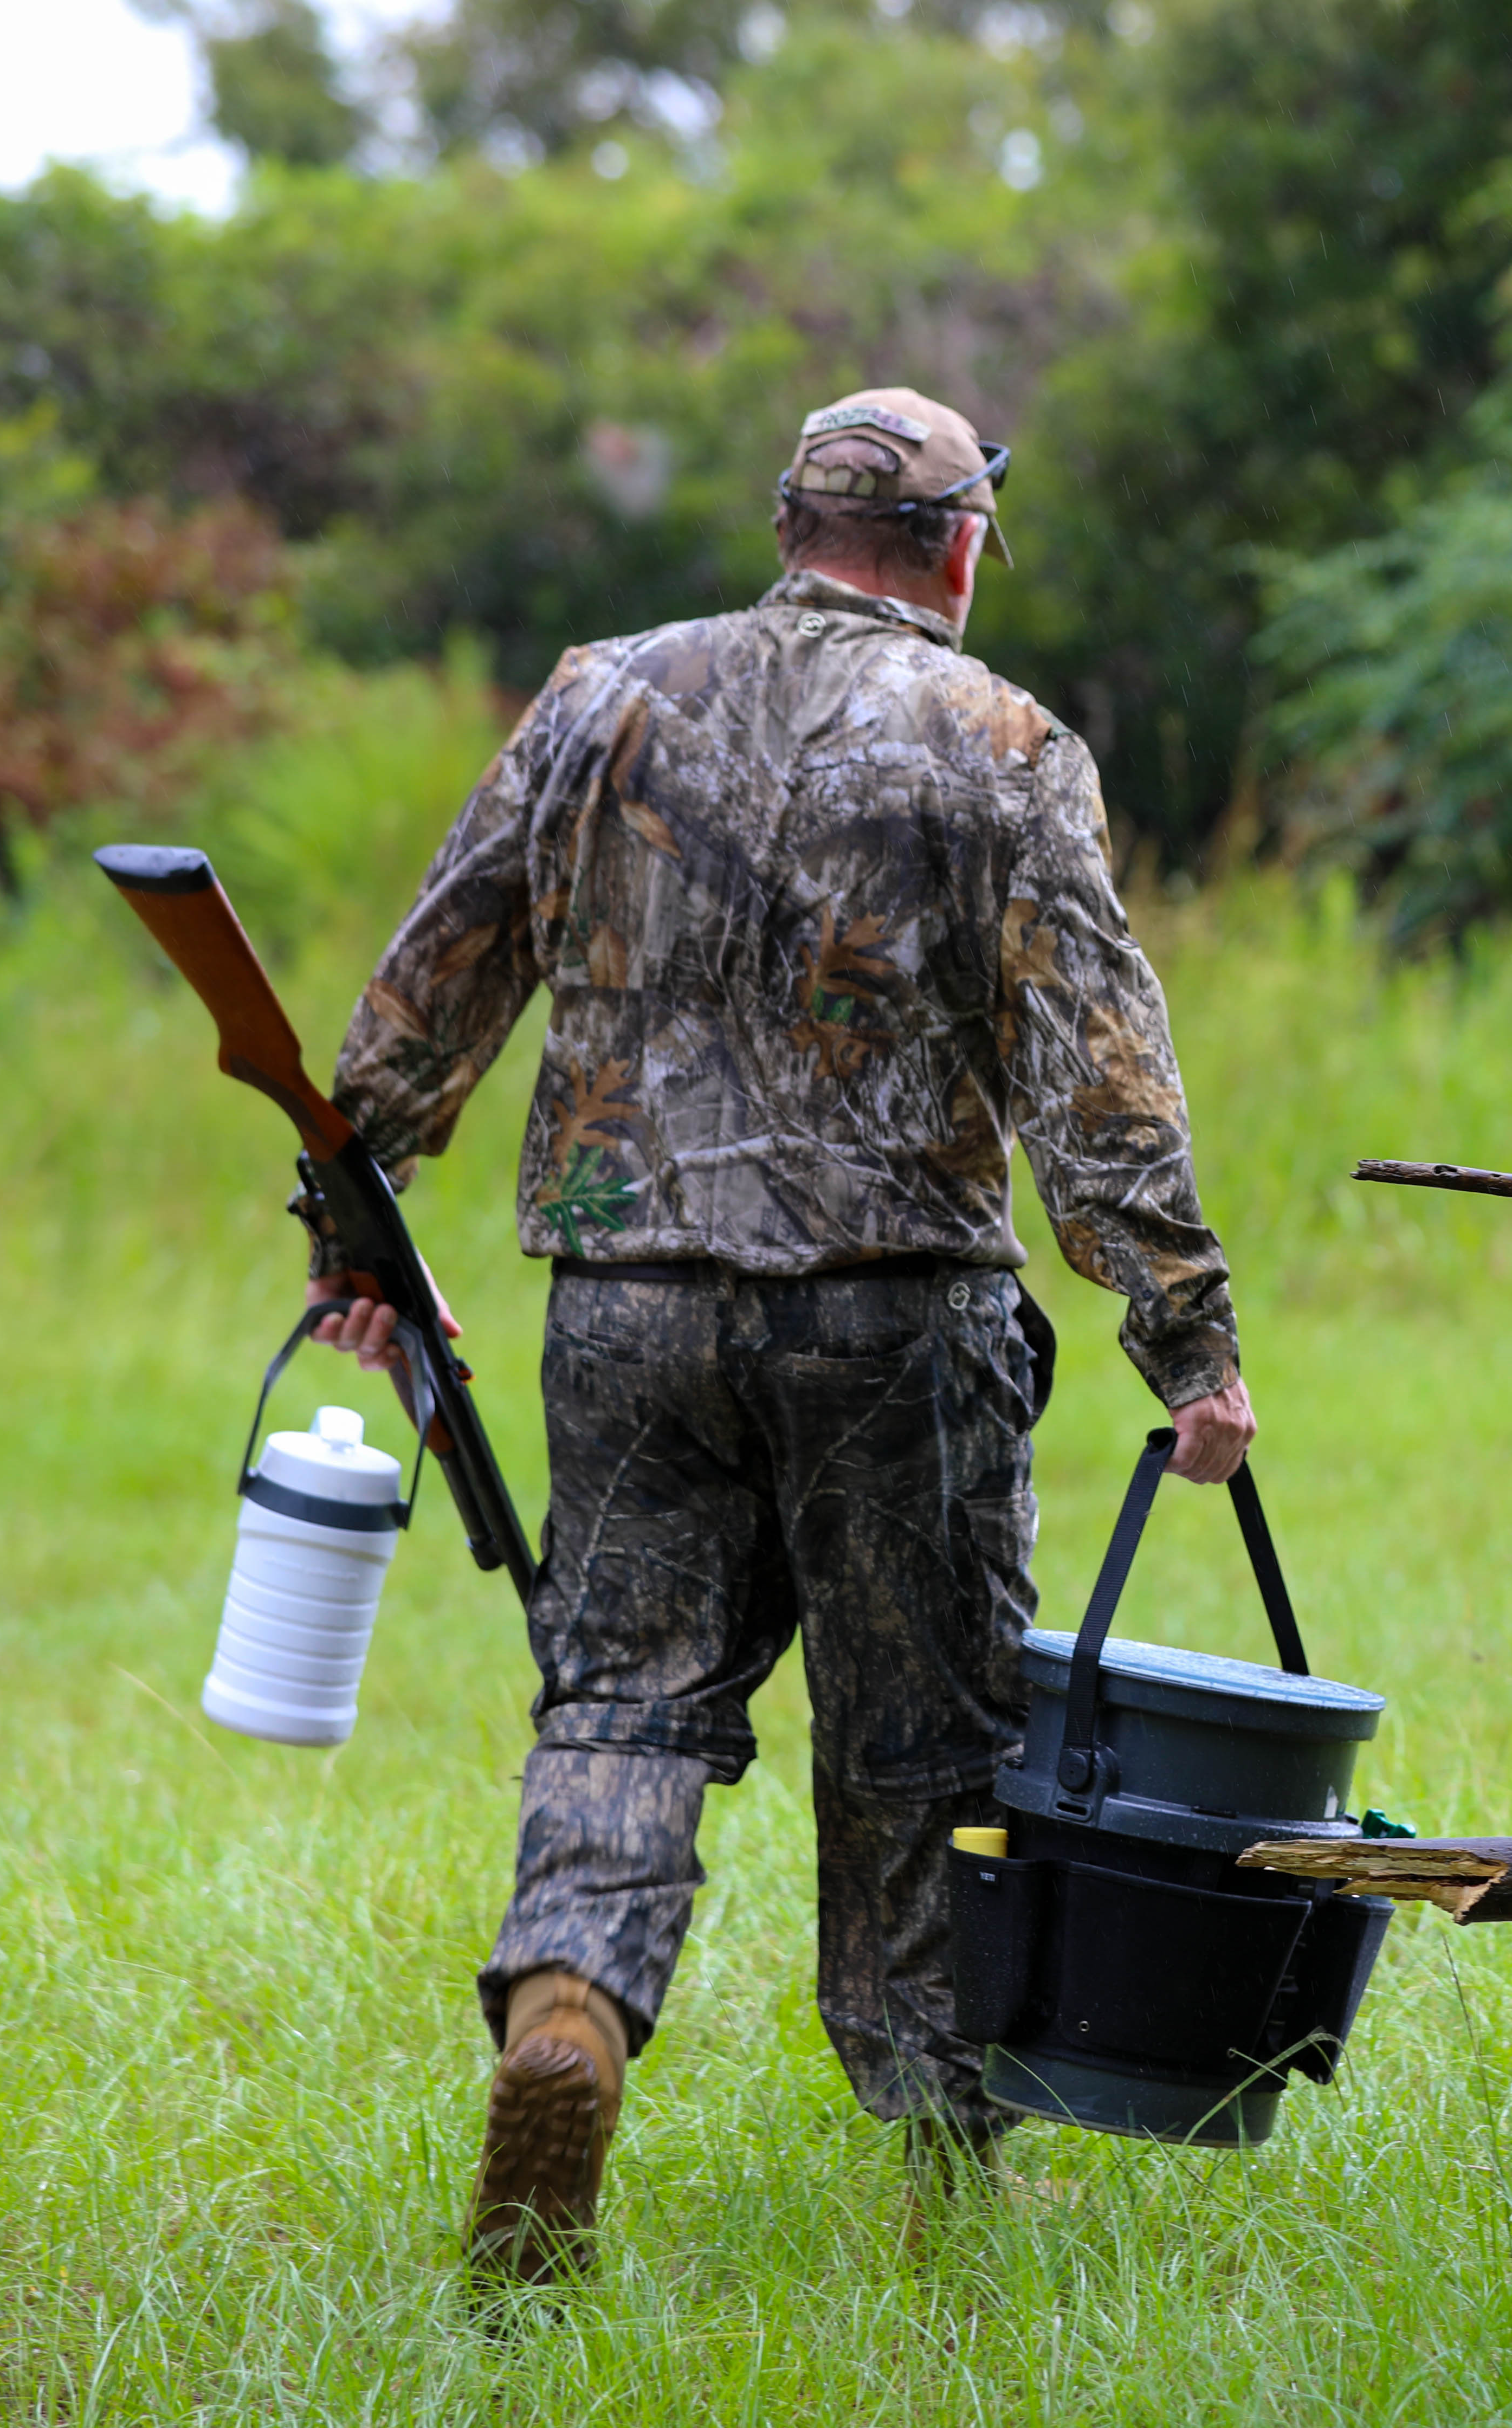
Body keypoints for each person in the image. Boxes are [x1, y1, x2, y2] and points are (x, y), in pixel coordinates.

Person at [295, 385, 1256, 2283]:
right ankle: (952, 2172)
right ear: (962, 543)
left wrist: (359, 1222)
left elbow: (439, 972)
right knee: (927, 1747)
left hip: (628, 1305)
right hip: (896, 1321)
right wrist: (1185, 1336)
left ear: (789, 521)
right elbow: (1100, 1074)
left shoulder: (600, 696)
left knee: (623, 1701)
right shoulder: (1003, 743)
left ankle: (568, 2010)